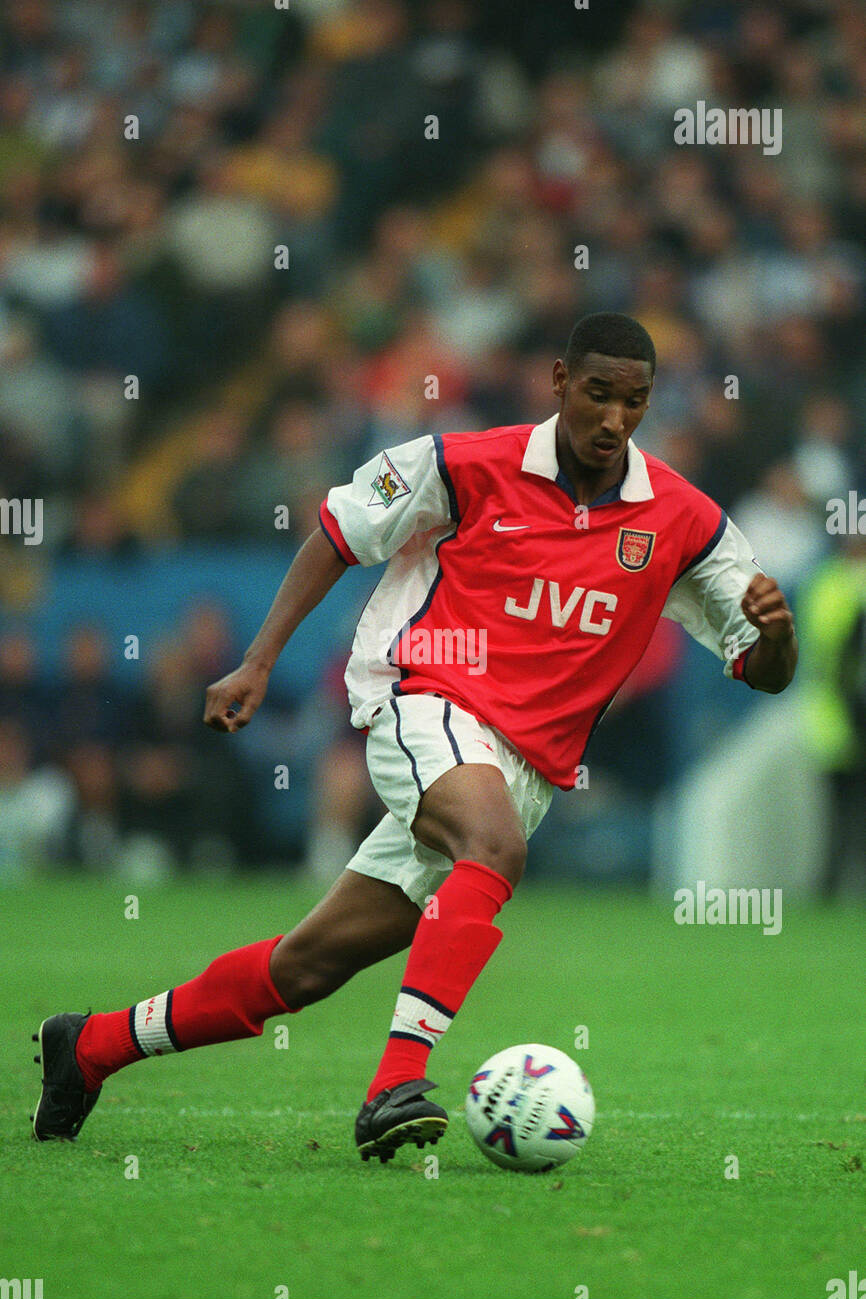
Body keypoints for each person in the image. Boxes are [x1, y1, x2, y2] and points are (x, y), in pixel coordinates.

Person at [32, 314, 798, 1161]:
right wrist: (257, 661)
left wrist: (776, 635)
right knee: (494, 846)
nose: (615, 418)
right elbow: (339, 531)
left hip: (525, 767)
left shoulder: (684, 521)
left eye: (637, 401)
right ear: (558, 381)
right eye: (599, 393)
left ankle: (92, 1045)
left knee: (309, 966)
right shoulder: (463, 464)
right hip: (420, 693)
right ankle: (396, 1079)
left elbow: (760, 666)